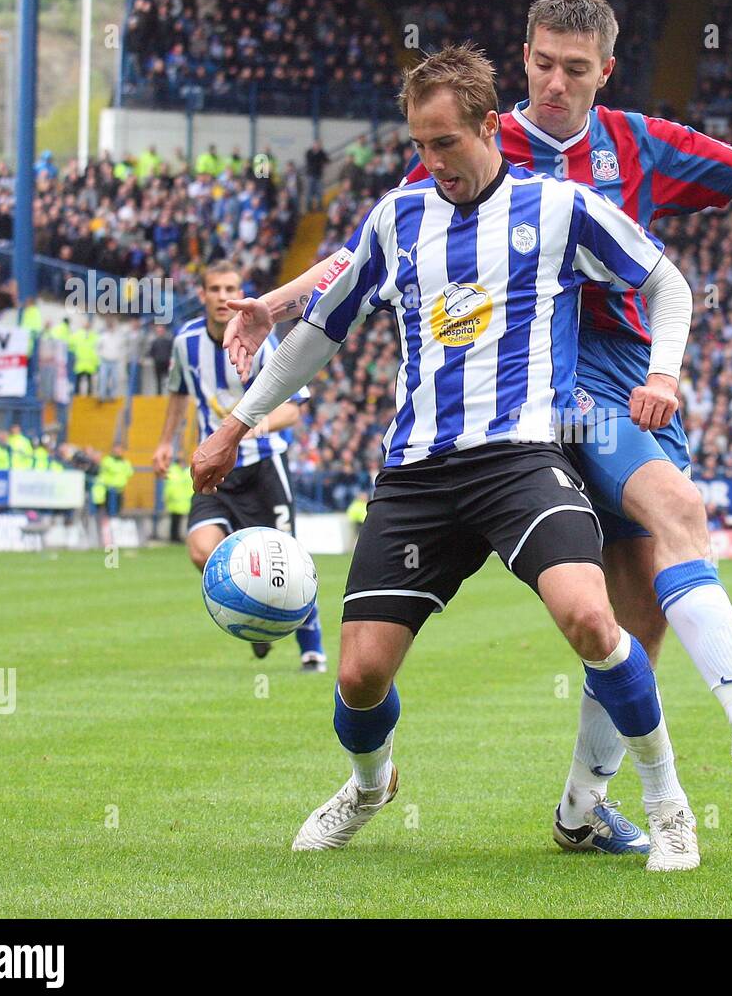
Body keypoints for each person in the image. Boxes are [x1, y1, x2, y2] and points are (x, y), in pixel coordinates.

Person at [222, 0, 732, 843]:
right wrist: (278, 304)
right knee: (676, 512)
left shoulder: (640, 143)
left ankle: (582, 809)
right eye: (540, 63)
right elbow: (381, 244)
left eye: (574, 69)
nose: (552, 84)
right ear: (525, 54)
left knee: (638, 610)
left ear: (604, 72)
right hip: (556, 382)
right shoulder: (477, 137)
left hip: (632, 371)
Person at [192, 45, 701, 870]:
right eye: (420, 146)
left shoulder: (559, 206)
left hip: (524, 459)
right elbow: (321, 331)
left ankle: (668, 805)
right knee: (358, 676)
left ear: (488, 127)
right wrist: (235, 425)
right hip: (420, 473)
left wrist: (663, 370)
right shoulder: (398, 217)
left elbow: (666, 284)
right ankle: (368, 784)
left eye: (446, 145)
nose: (433, 163)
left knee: (592, 619)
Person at [153, 261, 326, 672]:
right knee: (201, 551)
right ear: (203, 295)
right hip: (217, 471)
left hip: (264, 466)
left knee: (290, 559)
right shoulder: (186, 342)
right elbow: (179, 393)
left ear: (239, 292)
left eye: (229, 287)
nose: (220, 296)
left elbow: (296, 408)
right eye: (214, 288)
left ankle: (312, 647)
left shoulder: (263, 341)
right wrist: (165, 442)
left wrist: (250, 427)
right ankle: (254, 618)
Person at [163, 459, 193, 542]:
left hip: (180, 502)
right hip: (176, 502)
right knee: (175, 521)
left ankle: (176, 537)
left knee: (177, 521)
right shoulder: (176, 472)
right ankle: (174, 537)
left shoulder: (178, 472)